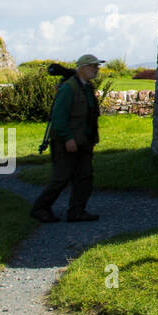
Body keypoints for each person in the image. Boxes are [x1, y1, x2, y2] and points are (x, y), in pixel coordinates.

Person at [30, 54, 103, 223]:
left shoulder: (86, 87)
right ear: (82, 68)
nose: (96, 69)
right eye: (93, 66)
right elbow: (59, 117)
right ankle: (40, 208)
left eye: (96, 66)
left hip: (84, 140)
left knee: (85, 176)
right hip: (67, 142)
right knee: (61, 178)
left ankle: (77, 211)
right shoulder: (69, 88)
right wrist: (68, 138)